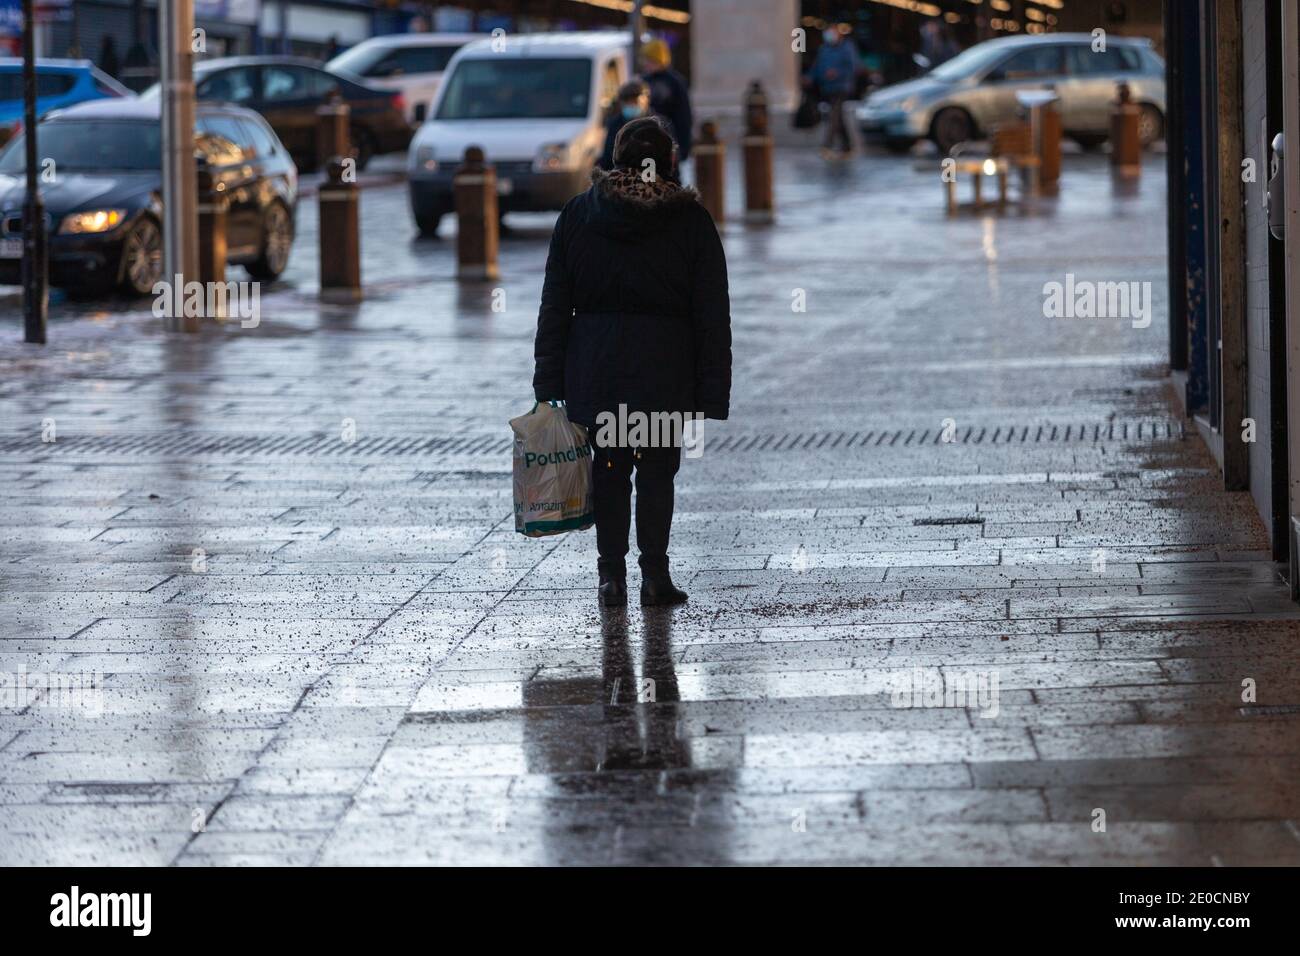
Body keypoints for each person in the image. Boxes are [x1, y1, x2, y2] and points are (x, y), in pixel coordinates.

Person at [533, 117, 731, 608]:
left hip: (597, 365)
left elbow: (555, 303)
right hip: (663, 369)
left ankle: (610, 576)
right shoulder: (690, 220)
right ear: (668, 162)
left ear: (615, 161)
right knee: (658, 471)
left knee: (611, 467)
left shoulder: (579, 215)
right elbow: (711, 311)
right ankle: (655, 575)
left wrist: (548, 379)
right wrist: (712, 388)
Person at [809, 27, 859, 156]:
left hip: (841, 87)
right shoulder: (824, 49)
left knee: (834, 115)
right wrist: (810, 77)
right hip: (828, 87)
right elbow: (817, 66)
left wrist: (838, 74)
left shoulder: (847, 48)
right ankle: (847, 145)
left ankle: (827, 145)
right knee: (839, 117)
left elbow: (852, 67)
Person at [639, 39, 692, 161]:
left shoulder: (675, 83)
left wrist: (683, 148)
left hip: (670, 141)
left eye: (649, 60)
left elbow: (684, 117)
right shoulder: (643, 80)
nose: (645, 63)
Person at [599, 80, 649, 170]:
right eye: (627, 102)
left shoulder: (658, 125)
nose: (632, 105)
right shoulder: (615, 124)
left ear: (645, 100)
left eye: (635, 101)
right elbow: (608, 155)